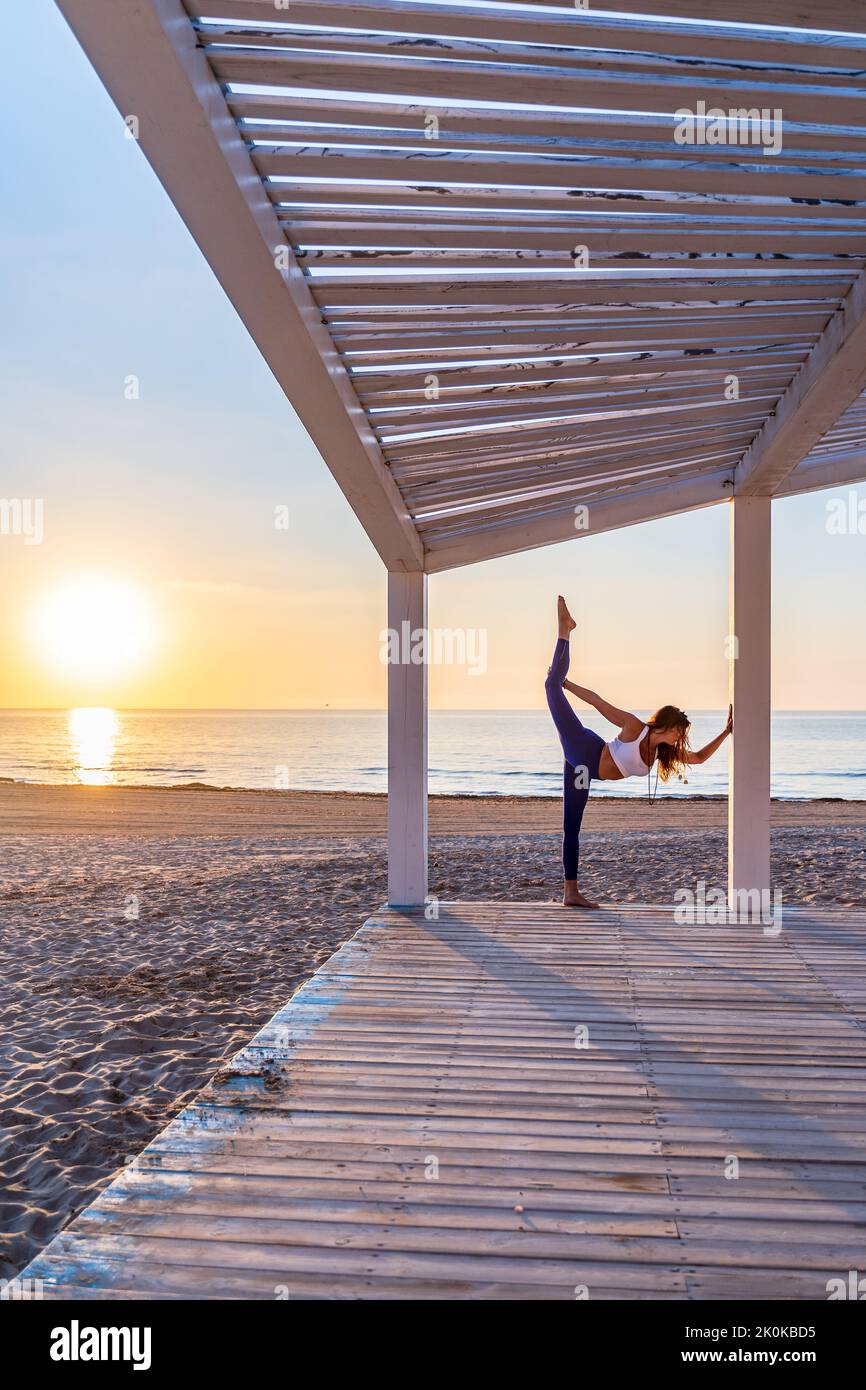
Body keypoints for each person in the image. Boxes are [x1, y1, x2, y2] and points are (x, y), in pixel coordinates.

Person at [545, 596, 733, 908]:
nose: (679, 740)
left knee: (572, 827)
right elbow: (599, 702)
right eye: (679, 733)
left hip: (581, 771)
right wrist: (568, 684)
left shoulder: (662, 754)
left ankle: (571, 893)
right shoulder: (634, 727)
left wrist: (726, 733)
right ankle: (565, 630)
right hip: (584, 748)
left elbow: (698, 757)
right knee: (551, 685)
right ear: (669, 725)